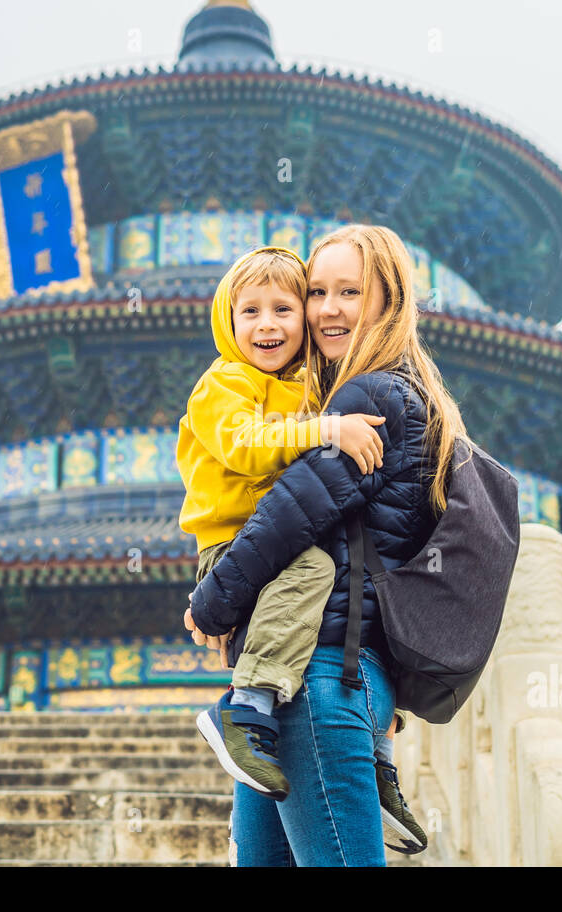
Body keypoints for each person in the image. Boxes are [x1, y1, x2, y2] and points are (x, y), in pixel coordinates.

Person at [186, 224, 467, 865]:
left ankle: (256, 713)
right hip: (331, 677)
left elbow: (294, 513)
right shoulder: (398, 398)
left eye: (350, 292)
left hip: (320, 676)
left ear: (388, 302)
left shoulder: (363, 399)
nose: (326, 310)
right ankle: (372, 769)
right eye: (317, 292)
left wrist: (212, 603)